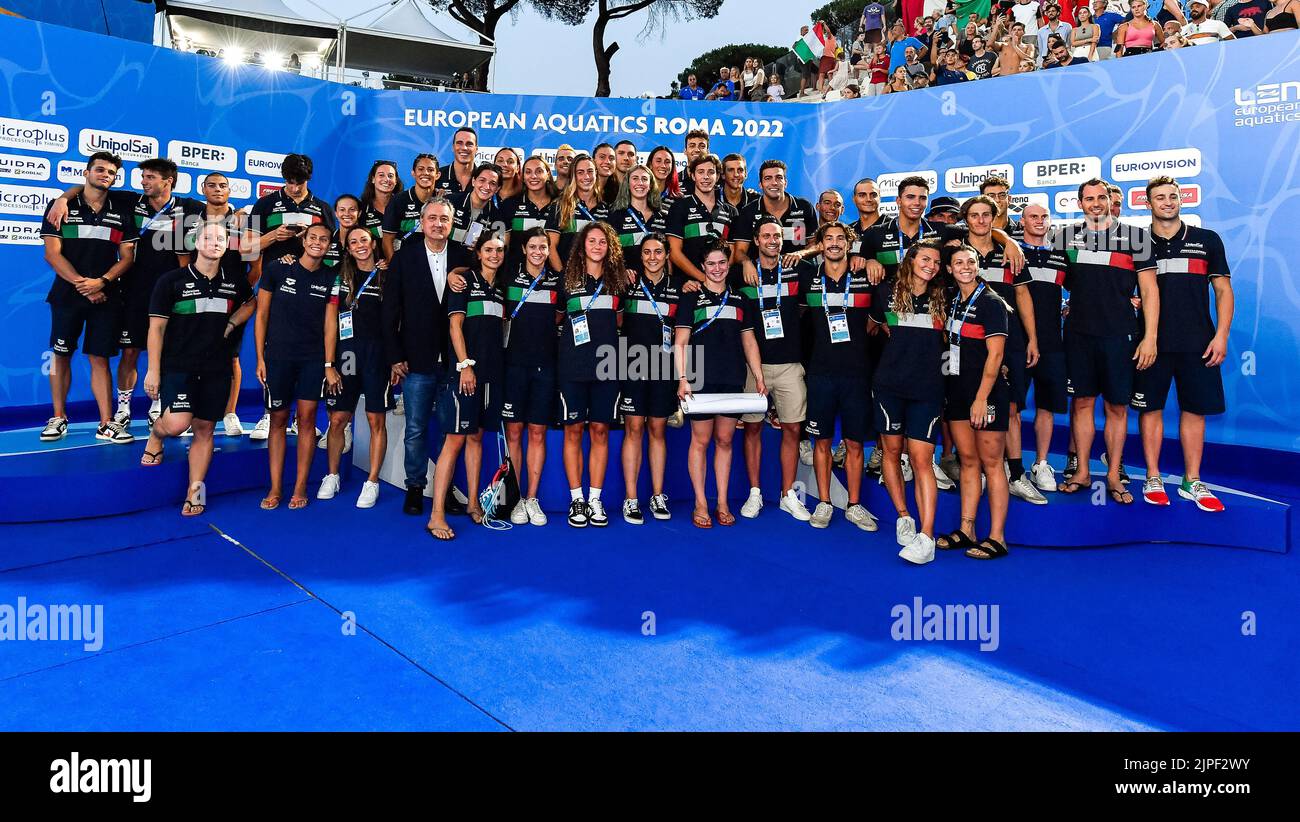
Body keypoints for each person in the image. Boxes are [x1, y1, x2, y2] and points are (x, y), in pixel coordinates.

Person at [44, 157, 204, 432]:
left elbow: (220, 210)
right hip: (130, 293)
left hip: (169, 294)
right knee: (129, 352)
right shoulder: (129, 202)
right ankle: (121, 410)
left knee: (165, 353)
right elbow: (87, 188)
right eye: (143, 177)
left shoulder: (189, 208)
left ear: (169, 181)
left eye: (151, 177)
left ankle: (158, 407)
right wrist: (61, 198)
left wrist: (235, 214)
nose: (143, 182)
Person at [140, 221, 255, 514]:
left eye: (220, 238)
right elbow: (156, 329)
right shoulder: (171, 281)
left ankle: (196, 489)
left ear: (226, 244)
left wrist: (232, 322)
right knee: (178, 425)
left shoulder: (234, 282)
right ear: (195, 242)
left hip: (217, 368)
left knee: (204, 428)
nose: (214, 242)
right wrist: (153, 370)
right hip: (179, 366)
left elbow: (251, 303)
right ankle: (157, 433)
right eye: (208, 237)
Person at [1134, 177, 1233, 511]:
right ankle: (1152, 476)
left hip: (1197, 342)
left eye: (1173, 196)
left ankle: (1192, 481)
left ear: (1181, 200)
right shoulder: (1135, 242)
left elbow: (1222, 290)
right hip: (1149, 345)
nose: (1167, 201)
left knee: (1195, 411)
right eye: (1160, 197)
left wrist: (1221, 335)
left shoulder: (1207, 240)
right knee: (1150, 410)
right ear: (1148, 203)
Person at [1058, 178, 1158, 504]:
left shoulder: (1136, 237)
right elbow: (1058, 283)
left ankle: (1114, 474)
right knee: (1083, 403)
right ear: (1080, 203)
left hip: (1120, 335)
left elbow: (1150, 291)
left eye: (1101, 197)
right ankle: (1083, 470)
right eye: (1089, 198)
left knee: (1117, 407)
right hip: (1078, 335)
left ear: (1110, 200)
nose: (1096, 203)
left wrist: (1150, 337)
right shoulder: (1065, 237)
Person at [38, 151, 137, 445]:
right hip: (67, 296)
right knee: (61, 355)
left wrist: (102, 282)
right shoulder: (61, 206)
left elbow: (128, 256)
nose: (105, 175)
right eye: (100, 170)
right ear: (86, 172)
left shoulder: (122, 207)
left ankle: (106, 423)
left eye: (110, 173)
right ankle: (58, 417)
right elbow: (51, 254)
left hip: (106, 296)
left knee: (100, 359)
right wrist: (84, 285)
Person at [382, 197, 472, 516]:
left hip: (452, 363)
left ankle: (444, 490)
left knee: (451, 431)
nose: (438, 224)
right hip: (415, 360)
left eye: (444, 219)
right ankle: (416, 487)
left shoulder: (464, 257)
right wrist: (394, 356)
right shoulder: (404, 258)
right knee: (417, 428)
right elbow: (389, 311)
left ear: (452, 223)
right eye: (432, 218)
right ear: (421, 222)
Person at [961, 195, 1047, 505]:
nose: (981, 220)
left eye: (987, 215)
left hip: (1010, 341)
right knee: (966, 407)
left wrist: (1032, 338)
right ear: (966, 219)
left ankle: (1016, 474)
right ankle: (977, 469)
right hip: (968, 343)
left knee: (1010, 409)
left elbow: (1023, 296)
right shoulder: (958, 252)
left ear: (995, 219)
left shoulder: (1011, 252)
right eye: (974, 215)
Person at [675, 242, 765, 529]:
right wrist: (682, 378)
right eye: (711, 263)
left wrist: (759, 376)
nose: (717, 268)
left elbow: (749, 341)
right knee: (700, 441)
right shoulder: (690, 298)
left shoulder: (740, 299)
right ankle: (701, 502)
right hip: (699, 379)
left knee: (725, 441)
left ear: (729, 265)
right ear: (703, 266)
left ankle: (722, 501)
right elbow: (680, 342)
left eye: (722, 263)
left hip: (731, 378)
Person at [426, 234, 509, 540]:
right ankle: (436, 515)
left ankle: (474, 503)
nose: (495, 254)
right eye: (489, 249)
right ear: (478, 252)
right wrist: (465, 365)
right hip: (464, 375)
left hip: (492, 375)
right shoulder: (464, 282)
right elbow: (454, 326)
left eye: (500, 250)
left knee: (475, 438)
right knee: (454, 440)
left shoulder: (500, 289)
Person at [870, 239, 948, 562]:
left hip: (928, 391)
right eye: (925, 259)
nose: (931, 265)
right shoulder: (886, 292)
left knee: (921, 459)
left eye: (936, 262)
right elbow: (874, 327)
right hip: (889, 387)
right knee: (891, 451)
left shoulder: (946, 296)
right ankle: (904, 516)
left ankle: (926, 537)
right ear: (911, 259)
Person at [935, 245, 1013, 562]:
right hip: (957, 392)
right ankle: (967, 529)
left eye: (971, 262)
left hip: (986, 396)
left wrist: (981, 399)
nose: (965, 267)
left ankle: (997, 537)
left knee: (992, 464)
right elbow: (948, 349)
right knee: (968, 461)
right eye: (959, 263)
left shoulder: (991, 303)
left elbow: (996, 356)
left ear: (977, 266)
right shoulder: (953, 302)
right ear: (950, 270)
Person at [800, 222, 879, 531]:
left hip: (857, 375)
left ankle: (855, 505)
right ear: (820, 245)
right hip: (820, 374)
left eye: (840, 239)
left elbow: (879, 319)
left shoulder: (864, 276)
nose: (834, 244)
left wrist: (869, 260)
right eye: (828, 239)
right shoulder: (808, 276)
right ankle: (823, 502)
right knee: (821, 442)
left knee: (855, 444)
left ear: (850, 244)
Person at [253, 223, 337, 510]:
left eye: (324, 239)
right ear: (304, 241)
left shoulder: (330, 277)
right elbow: (261, 315)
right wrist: (261, 358)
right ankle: (275, 487)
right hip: (278, 358)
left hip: (312, 360)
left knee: (307, 420)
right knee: (277, 420)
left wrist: (328, 363)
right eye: (313, 237)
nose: (318, 243)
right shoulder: (277, 269)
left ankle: (300, 486)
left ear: (329, 245)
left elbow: (330, 324)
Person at [736, 217, 811, 522]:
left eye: (777, 236)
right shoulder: (741, 274)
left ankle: (787, 494)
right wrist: (742, 261)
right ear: (756, 240)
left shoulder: (798, 269)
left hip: (791, 364)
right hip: (754, 365)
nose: (772, 240)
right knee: (752, 426)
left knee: (793, 427)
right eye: (766, 235)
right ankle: (754, 492)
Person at [317, 226, 392, 509]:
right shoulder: (339, 277)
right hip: (346, 356)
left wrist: (396, 358)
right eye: (353, 242)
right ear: (347, 248)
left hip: (378, 356)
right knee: (337, 420)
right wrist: (329, 363)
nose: (360, 245)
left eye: (364, 240)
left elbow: (397, 321)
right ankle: (332, 475)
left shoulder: (387, 275)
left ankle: (372, 481)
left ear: (373, 243)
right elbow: (330, 323)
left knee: (376, 420)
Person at [557, 222, 626, 528]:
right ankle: (577, 500)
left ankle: (595, 499)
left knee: (599, 431)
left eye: (603, 242)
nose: (597, 246)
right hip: (572, 366)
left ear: (610, 247)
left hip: (607, 368)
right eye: (592, 241)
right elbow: (557, 319)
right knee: (573, 431)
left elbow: (621, 322)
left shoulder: (619, 282)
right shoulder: (566, 280)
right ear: (582, 246)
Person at [501, 228, 561, 526]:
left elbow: (560, 315)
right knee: (514, 433)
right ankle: (515, 498)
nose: (538, 251)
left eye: (544, 247)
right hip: (513, 367)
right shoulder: (508, 276)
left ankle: (531, 498)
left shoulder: (557, 281)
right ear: (524, 249)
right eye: (533, 246)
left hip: (545, 367)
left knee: (537, 433)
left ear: (549, 250)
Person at [619, 233, 681, 524]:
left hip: (663, 369)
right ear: (640, 256)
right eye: (647, 252)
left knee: (657, 430)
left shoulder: (680, 288)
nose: (652, 257)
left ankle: (657, 495)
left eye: (658, 252)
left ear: (667, 255)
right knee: (634, 429)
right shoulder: (627, 283)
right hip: (630, 366)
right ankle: (631, 499)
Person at [1013, 204, 1072, 493]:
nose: (1039, 221)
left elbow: (1083, 287)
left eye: (1044, 217)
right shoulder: (1010, 252)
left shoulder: (1060, 255)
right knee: (1010, 407)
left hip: (1052, 341)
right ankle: (1010, 466)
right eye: (1033, 216)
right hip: (1015, 340)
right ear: (1021, 221)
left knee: (1047, 406)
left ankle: (1041, 463)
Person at [666, 154, 739, 283]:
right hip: (689, 285)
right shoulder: (679, 207)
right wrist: (704, 279)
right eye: (700, 172)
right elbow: (674, 252)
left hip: (721, 285)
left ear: (717, 177)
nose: (706, 177)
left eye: (711, 172)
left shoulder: (730, 211)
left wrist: (717, 277)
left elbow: (733, 251)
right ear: (693, 176)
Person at [731, 159, 818, 267]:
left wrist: (800, 254)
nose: (774, 182)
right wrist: (746, 263)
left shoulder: (804, 207)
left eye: (779, 178)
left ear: (785, 182)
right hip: (759, 277)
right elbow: (740, 251)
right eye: (768, 178)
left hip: (797, 276)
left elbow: (816, 245)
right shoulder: (748, 212)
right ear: (760, 184)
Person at [546, 154, 610, 272]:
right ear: (573, 176)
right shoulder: (560, 206)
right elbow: (550, 247)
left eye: (590, 171)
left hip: (596, 282)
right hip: (568, 281)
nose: (586, 176)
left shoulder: (606, 209)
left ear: (596, 173)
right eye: (580, 172)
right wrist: (563, 277)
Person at [500, 155, 559, 273]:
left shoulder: (559, 205)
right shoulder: (509, 205)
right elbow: (502, 246)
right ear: (523, 177)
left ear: (548, 174)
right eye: (528, 172)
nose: (533, 176)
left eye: (539, 171)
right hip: (515, 278)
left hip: (551, 280)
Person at [382, 154, 438, 261]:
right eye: (420, 169)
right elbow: (387, 241)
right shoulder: (398, 201)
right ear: (413, 173)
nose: (425, 173)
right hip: (406, 263)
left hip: (436, 264)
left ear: (437, 175)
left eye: (430, 170)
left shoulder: (443, 201)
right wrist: (395, 268)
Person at [609, 164, 664, 274]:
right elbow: (610, 254)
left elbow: (669, 255)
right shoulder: (615, 217)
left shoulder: (662, 216)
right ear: (628, 184)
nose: (640, 183)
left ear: (650, 185)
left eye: (644, 179)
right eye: (635, 178)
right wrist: (622, 272)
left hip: (657, 283)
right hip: (628, 283)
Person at [449, 162, 504, 250]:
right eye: (482, 180)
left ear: (497, 189)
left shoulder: (498, 217)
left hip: (475, 262)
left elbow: (498, 250)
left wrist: (482, 246)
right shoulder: (450, 202)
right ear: (473, 181)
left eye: (493, 183)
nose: (487, 186)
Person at [360, 160, 401, 260]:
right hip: (372, 267)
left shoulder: (404, 205)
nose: (386, 179)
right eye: (381, 175)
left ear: (396, 181)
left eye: (390, 176)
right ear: (373, 179)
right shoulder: (362, 208)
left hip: (403, 265)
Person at [436, 126, 477, 197]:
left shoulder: (483, 177)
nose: (464, 148)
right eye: (459, 143)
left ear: (476, 149)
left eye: (469, 144)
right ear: (453, 147)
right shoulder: (437, 177)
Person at [647, 145, 683, 215]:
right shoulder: (640, 194)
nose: (663, 165)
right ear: (650, 165)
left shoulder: (678, 198)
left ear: (672, 166)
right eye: (658, 161)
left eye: (667, 162)